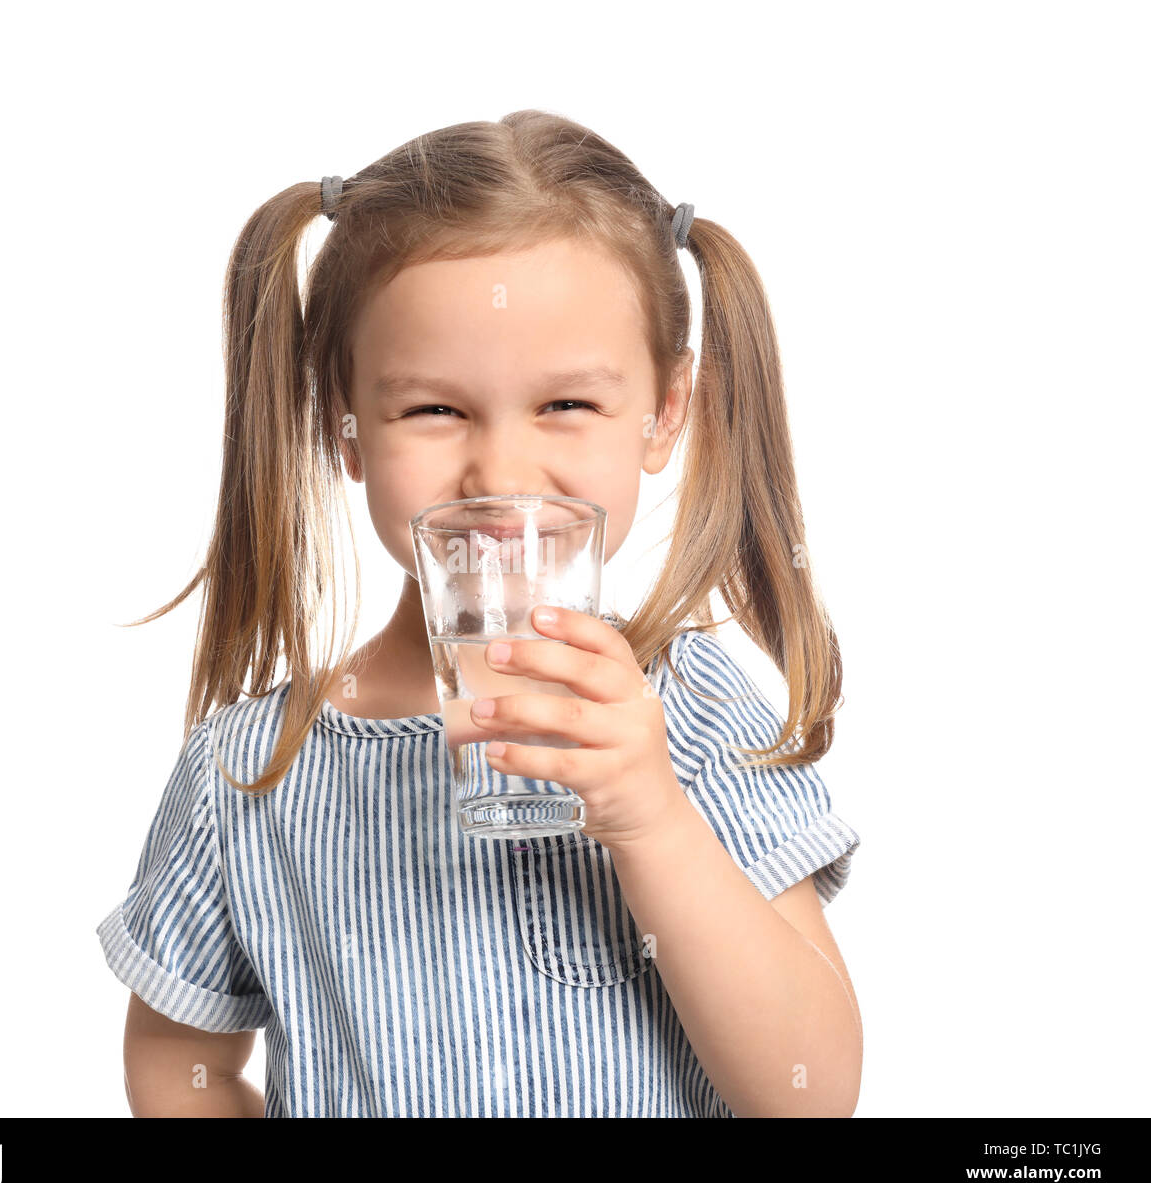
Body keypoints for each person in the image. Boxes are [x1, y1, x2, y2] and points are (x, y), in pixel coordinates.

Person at [96, 109, 863, 1118]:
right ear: (347, 428)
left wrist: (653, 821)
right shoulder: (246, 774)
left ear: (664, 412)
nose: (500, 475)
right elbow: (177, 1060)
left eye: (567, 405)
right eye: (434, 409)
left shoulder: (692, 712)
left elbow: (808, 1092)